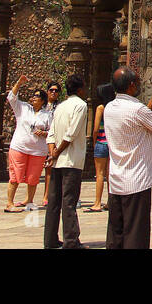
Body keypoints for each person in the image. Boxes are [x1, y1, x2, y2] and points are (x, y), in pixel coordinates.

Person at [103, 67, 152, 249]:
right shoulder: (136, 109)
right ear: (132, 86)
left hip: (116, 180)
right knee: (136, 234)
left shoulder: (109, 108)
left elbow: (140, 119)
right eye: (139, 83)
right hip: (136, 181)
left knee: (116, 233)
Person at [44, 75, 89, 249]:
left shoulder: (61, 106)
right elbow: (71, 133)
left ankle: (50, 240)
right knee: (69, 201)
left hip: (57, 161)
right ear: (79, 89)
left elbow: (51, 134)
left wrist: (52, 154)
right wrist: (56, 152)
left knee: (54, 203)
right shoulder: (80, 105)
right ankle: (71, 241)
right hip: (71, 160)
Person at [4, 75, 52, 212]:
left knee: (33, 177)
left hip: (37, 150)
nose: (34, 97)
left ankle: (29, 201)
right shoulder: (23, 108)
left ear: (42, 100)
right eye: (33, 95)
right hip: (20, 147)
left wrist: (44, 134)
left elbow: (52, 131)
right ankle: (9, 203)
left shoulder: (47, 115)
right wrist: (19, 83)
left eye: (37, 96)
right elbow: (11, 98)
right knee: (15, 176)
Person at [86, 83, 114, 213]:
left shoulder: (101, 108)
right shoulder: (114, 107)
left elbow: (96, 128)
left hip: (101, 142)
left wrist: (94, 140)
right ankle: (110, 201)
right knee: (109, 174)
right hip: (112, 143)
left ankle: (97, 202)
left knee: (99, 174)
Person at [38, 80, 62, 207]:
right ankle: (40, 195)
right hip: (40, 141)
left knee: (50, 169)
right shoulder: (42, 106)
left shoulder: (60, 107)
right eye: (51, 90)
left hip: (53, 140)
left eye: (56, 90)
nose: (53, 92)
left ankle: (48, 195)